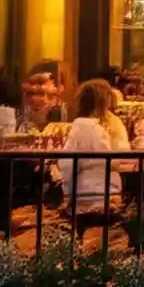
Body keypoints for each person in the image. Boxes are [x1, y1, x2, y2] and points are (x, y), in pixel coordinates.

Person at [60, 79, 131, 212]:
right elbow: (108, 160)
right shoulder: (90, 127)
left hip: (87, 190)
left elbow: (68, 163)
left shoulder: (80, 126)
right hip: (98, 191)